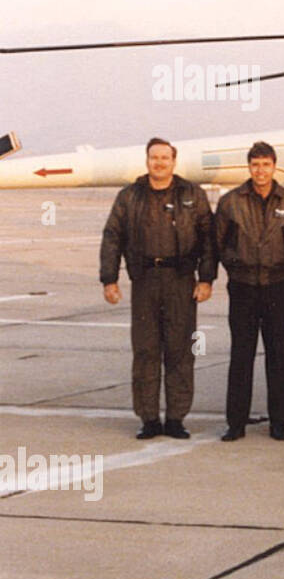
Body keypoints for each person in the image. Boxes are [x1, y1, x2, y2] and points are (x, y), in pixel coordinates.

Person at [100, 137, 215, 439]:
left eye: (165, 158)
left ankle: (176, 418)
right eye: (154, 158)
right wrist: (109, 279)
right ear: (147, 161)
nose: (160, 163)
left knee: (180, 351)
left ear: (174, 162)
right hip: (145, 281)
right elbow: (112, 237)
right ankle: (149, 418)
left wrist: (206, 279)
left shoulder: (192, 194)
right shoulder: (130, 196)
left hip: (180, 280)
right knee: (146, 351)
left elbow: (208, 239)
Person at [213, 142, 284, 441]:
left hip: (276, 288)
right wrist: (235, 266)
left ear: (274, 166)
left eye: (266, 165)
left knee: (278, 353)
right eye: (255, 165)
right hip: (242, 287)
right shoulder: (231, 202)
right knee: (241, 354)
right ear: (249, 167)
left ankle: (279, 422)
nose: (260, 171)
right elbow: (219, 241)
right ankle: (236, 423)